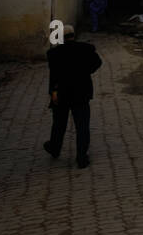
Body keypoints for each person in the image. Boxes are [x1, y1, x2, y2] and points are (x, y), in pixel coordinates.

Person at [44, 25, 102, 168]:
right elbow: (97, 63)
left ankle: (55, 148)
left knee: (59, 124)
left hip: (61, 94)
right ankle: (81, 157)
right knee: (82, 126)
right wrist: (85, 72)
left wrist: (52, 92)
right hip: (81, 92)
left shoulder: (53, 54)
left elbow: (53, 76)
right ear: (74, 35)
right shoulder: (86, 49)